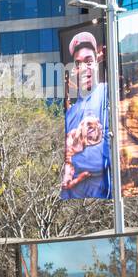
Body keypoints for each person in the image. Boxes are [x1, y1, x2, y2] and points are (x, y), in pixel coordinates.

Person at [60, 31, 111, 200]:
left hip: (107, 199)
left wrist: (74, 159)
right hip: (77, 207)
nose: (84, 68)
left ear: (97, 62)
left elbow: (105, 156)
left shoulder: (109, 94)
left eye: (89, 61)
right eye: (78, 63)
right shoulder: (71, 114)